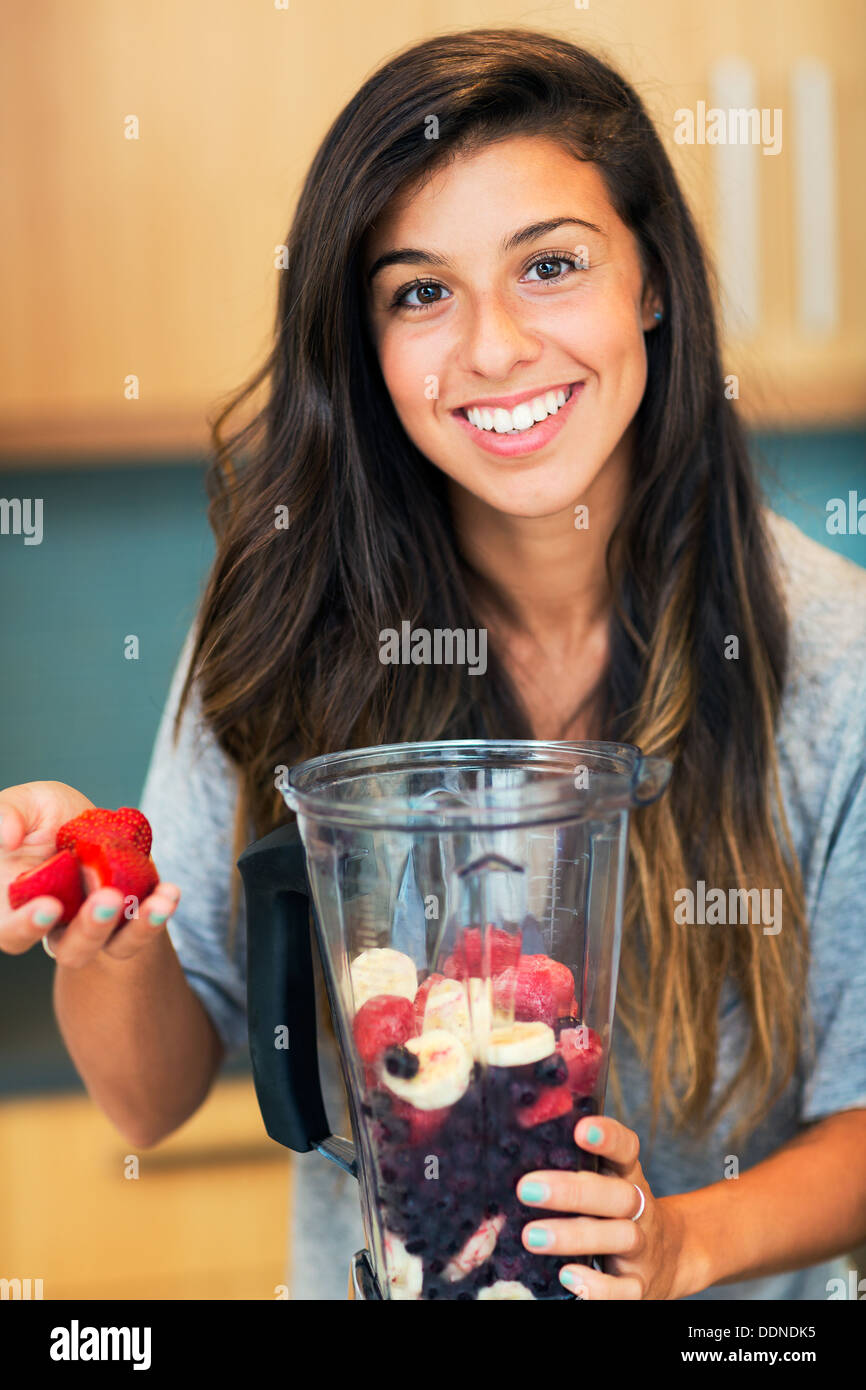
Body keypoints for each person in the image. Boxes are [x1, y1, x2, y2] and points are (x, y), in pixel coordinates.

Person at [2, 28, 864, 1301]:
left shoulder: (830, 661)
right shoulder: (283, 612)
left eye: (550, 266)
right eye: (420, 292)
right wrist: (110, 934)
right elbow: (146, 1103)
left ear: (651, 283)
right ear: (365, 342)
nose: (495, 348)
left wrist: (679, 1242)